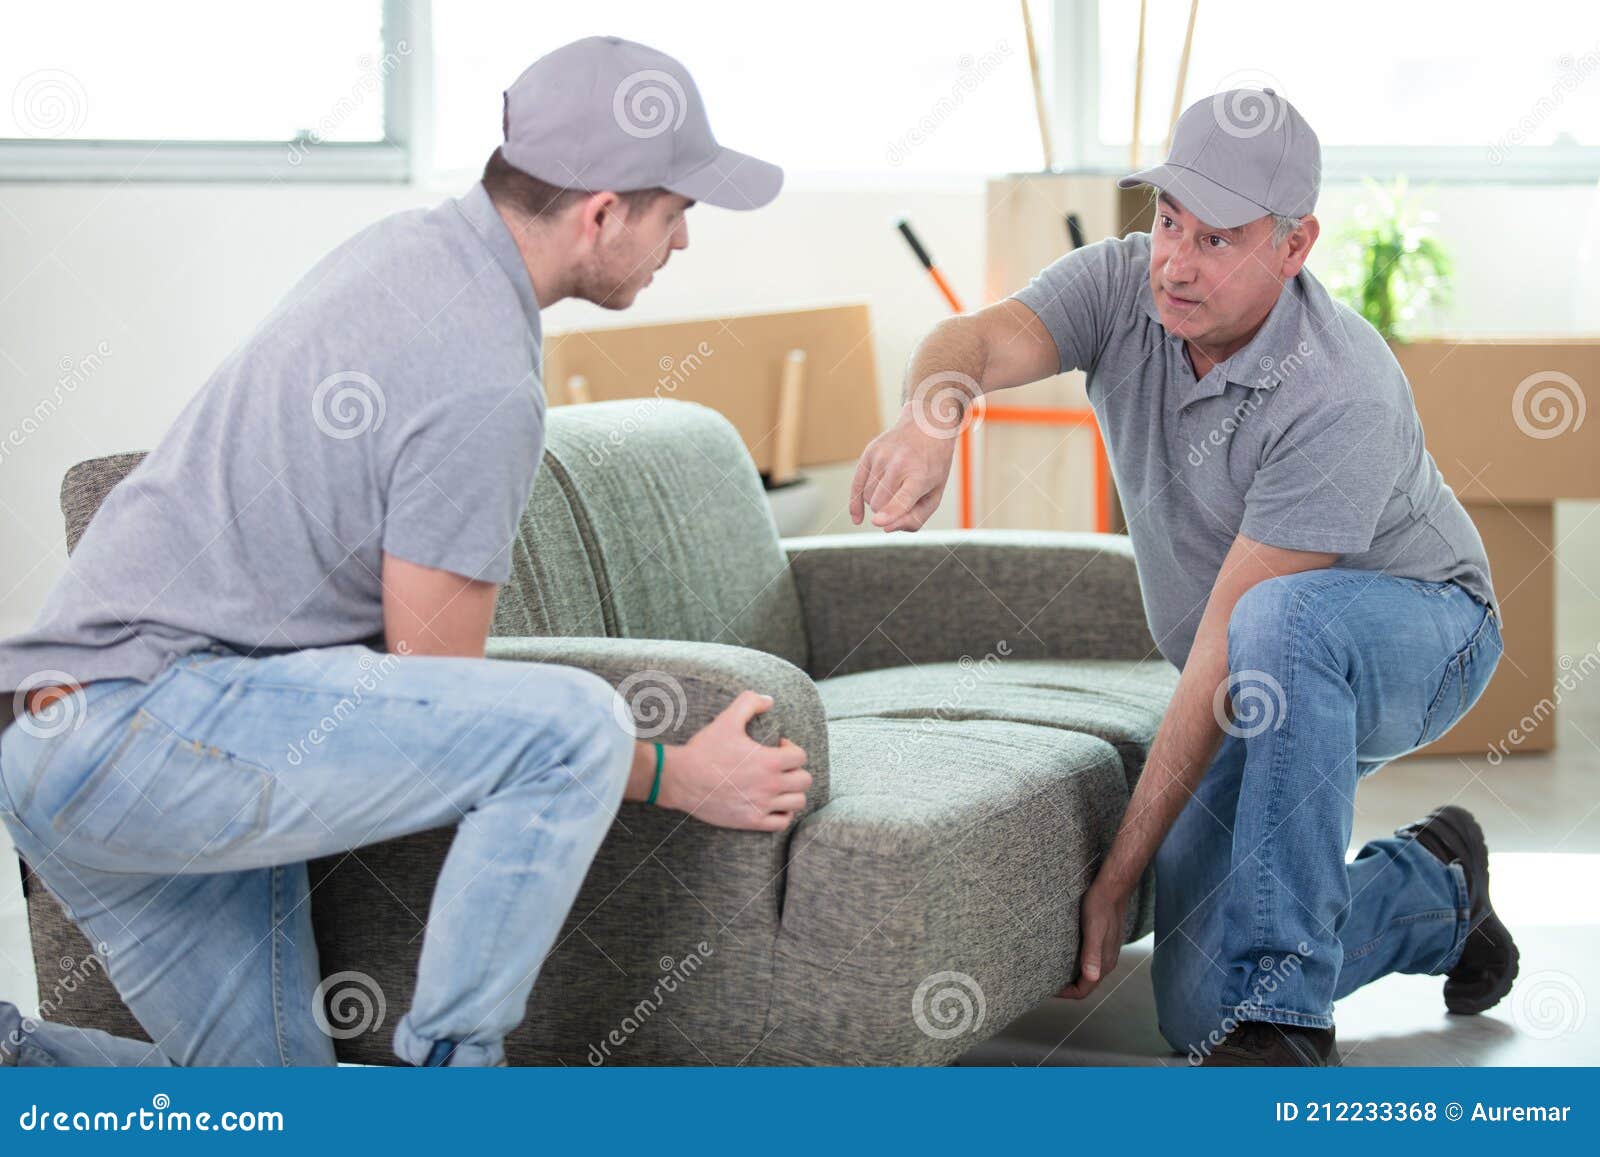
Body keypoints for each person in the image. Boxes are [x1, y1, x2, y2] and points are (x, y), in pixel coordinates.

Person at [0, 36, 810, 1069]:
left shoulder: (407, 247)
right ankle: (454, 1083)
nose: (683, 241)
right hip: (150, 731)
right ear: (601, 211)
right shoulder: (477, 371)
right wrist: (675, 772)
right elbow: (446, 687)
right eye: (676, 210)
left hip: (69, 742)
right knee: (575, 724)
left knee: (280, 1109)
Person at [849, 88, 1516, 1066]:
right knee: (1202, 1000)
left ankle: (1289, 1016)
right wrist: (934, 413)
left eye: (1216, 239)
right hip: (1258, 664)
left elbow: (1229, 640)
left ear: (1294, 247)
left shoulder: (1336, 386)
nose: (1173, 259)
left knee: (1282, 623)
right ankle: (1433, 891)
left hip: (1425, 632)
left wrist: (1120, 875)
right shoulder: (1124, 288)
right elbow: (980, 337)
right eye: (1168, 221)